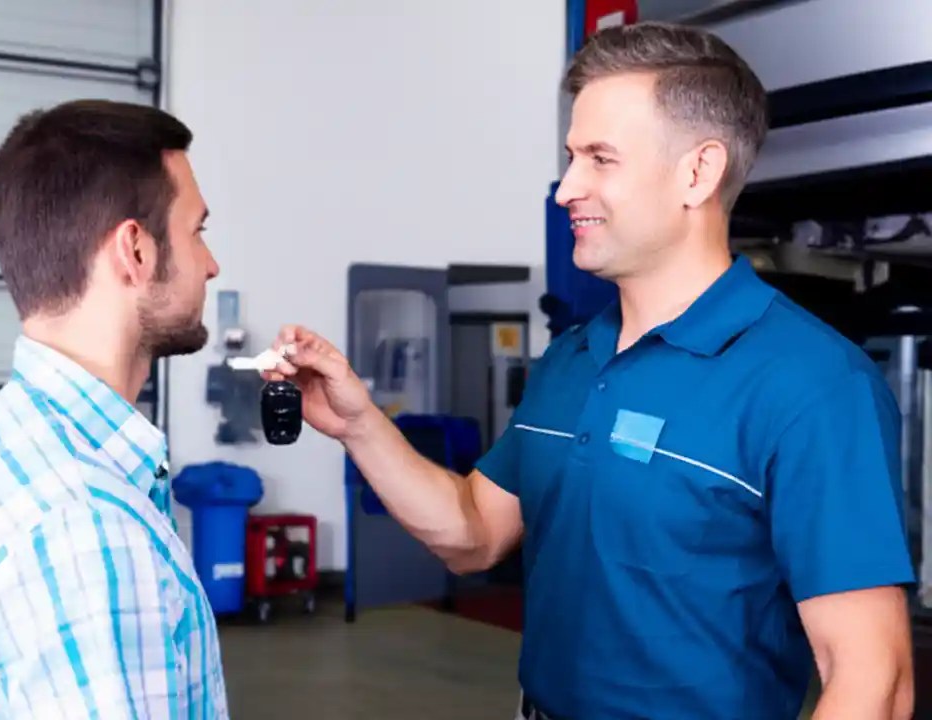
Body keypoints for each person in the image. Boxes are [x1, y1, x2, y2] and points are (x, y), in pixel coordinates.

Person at [262, 22, 915, 720]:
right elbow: (473, 533)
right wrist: (360, 426)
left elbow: (872, 682)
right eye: (572, 157)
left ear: (697, 172)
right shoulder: (571, 358)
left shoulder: (812, 385)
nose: (567, 187)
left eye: (601, 159)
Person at [0, 99, 226, 718]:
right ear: (134, 251)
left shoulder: (15, 441)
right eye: (197, 231)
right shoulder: (85, 530)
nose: (211, 264)